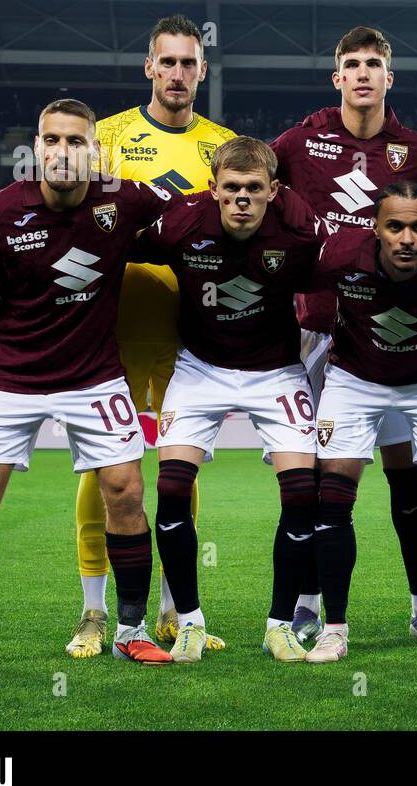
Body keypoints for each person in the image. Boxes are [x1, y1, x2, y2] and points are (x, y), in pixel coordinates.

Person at [0, 98, 176, 672]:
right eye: (52, 141)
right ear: (37, 149)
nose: (63, 152)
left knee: (126, 491)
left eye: (76, 142)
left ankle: (130, 629)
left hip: (94, 372)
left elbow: (187, 224)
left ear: (97, 151)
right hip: (9, 373)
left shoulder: (126, 200)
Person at [270, 26, 417, 645]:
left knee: (406, 476)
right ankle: (312, 607)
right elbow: (252, 186)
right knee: (321, 481)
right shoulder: (299, 140)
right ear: (338, 77)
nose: (364, 73)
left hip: (404, 338)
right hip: (322, 332)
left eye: (375, 63)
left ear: (389, 77)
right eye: (353, 64)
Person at [68, 14, 236, 659]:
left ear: (202, 70)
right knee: (100, 471)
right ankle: (92, 612)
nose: (177, 73)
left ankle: (174, 610)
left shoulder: (223, 146)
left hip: (190, 336)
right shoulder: (105, 138)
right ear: (149, 68)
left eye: (188, 63)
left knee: (178, 473)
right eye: (166, 62)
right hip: (110, 332)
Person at [130, 137, 326, 662]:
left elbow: (351, 263)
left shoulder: (301, 232)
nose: (241, 199)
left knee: (303, 497)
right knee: (171, 493)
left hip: (277, 372)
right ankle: (189, 623)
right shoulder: (183, 224)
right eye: (231, 189)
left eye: (253, 190)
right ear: (213, 188)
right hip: (199, 369)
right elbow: (117, 247)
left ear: (273, 191)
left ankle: (280, 626)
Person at [304, 181, 417, 664]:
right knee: (334, 500)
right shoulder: (339, 255)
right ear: (375, 229)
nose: (407, 238)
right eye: (395, 227)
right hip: (354, 380)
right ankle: (335, 628)